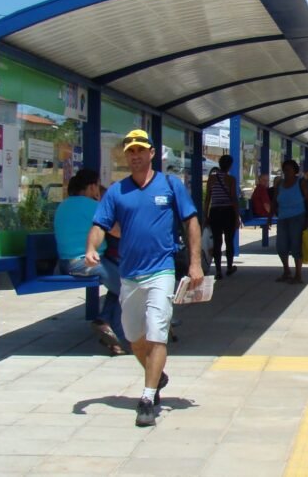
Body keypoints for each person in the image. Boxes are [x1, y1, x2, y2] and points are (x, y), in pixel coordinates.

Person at [86, 129, 203, 427]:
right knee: (132, 337)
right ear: (126, 156)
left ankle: (148, 398)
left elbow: (191, 221)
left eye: (140, 150)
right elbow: (101, 223)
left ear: (152, 153)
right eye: (130, 151)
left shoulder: (169, 185)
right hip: (130, 275)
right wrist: (91, 248)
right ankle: (157, 375)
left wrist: (195, 264)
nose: (135, 155)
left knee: (157, 332)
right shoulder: (117, 191)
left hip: (162, 270)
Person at [54, 169, 125, 356]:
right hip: (84, 263)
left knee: (118, 282)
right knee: (127, 285)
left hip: (64, 262)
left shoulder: (63, 205)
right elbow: (117, 231)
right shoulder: (94, 206)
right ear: (93, 186)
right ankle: (117, 335)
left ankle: (104, 321)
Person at [270, 159, 308, 284]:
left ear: (295, 171)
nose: (286, 172)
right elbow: (274, 201)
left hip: (298, 218)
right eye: (284, 170)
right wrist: (270, 217)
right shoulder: (280, 184)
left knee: (296, 246)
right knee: (281, 246)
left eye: (289, 169)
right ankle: (286, 271)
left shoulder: (301, 183)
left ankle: (298, 275)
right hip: (282, 218)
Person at [203, 155, 241, 280]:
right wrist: (237, 216)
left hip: (215, 212)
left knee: (217, 241)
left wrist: (206, 215)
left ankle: (218, 270)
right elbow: (234, 198)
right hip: (228, 212)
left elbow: (208, 198)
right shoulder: (231, 179)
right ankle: (229, 267)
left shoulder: (212, 179)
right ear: (230, 165)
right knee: (229, 241)